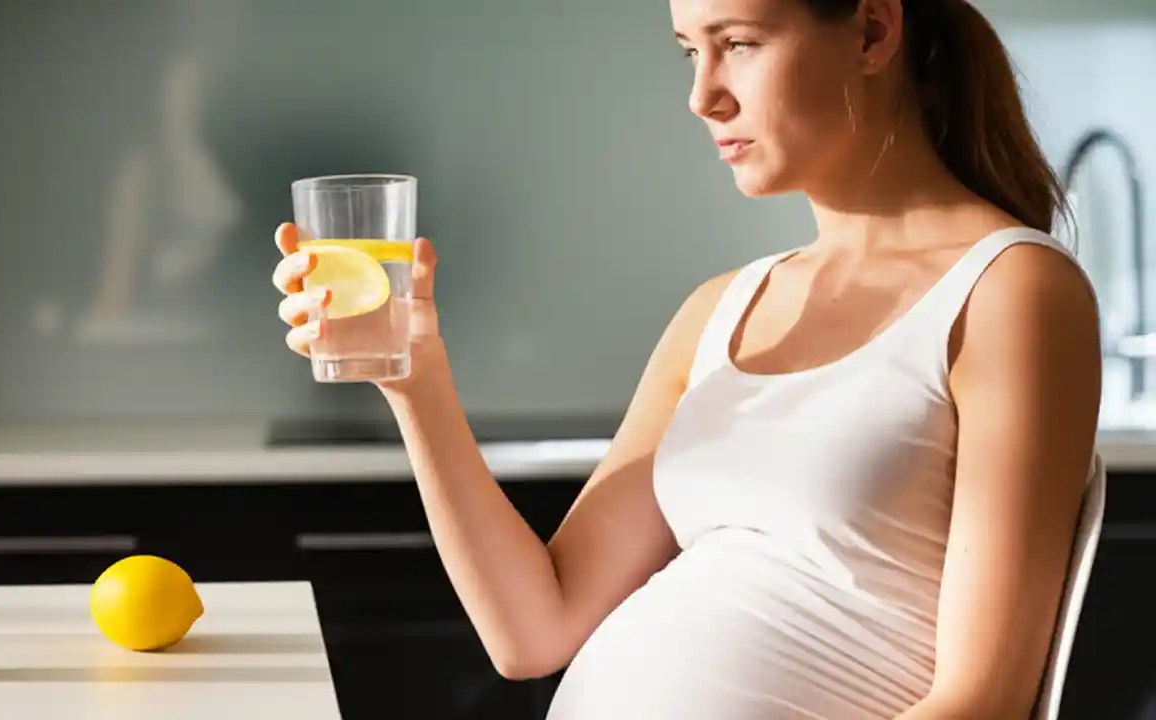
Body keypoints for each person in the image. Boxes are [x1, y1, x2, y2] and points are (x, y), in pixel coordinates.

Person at [271, 0, 1103, 716]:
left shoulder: (1009, 293)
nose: (703, 96)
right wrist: (413, 380)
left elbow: (984, 700)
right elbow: (534, 631)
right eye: (688, 53)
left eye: (739, 43)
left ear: (872, 31)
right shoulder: (721, 308)